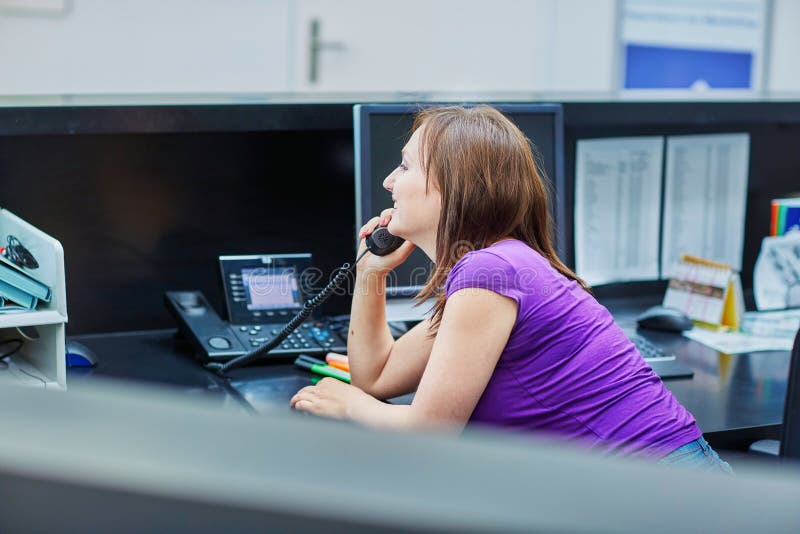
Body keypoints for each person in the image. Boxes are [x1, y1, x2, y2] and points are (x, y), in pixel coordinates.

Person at [291, 105, 732, 472]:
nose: (389, 181)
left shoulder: (489, 273)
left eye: (406, 166)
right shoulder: (498, 267)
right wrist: (371, 272)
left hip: (663, 491)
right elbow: (376, 375)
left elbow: (429, 432)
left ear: (453, 185)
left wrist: (350, 405)